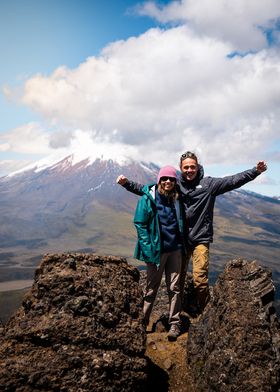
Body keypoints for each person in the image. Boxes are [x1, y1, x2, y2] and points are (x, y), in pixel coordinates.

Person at [116, 152, 267, 313]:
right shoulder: (176, 184)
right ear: (181, 169)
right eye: (186, 167)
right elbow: (150, 191)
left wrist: (255, 172)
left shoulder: (209, 184)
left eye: (192, 167)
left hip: (201, 239)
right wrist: (127, 184)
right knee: (177, 281)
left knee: (200, 280)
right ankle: (177, 313)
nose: (189, 170)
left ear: (197, 167)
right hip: (181, 241)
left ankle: (206, 313)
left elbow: (232, 181)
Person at [132, 165, 186, 340]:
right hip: (156, 251)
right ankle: (143, 322)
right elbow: (140, 224)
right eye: (165, 178)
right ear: (159, 180)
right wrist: (148, 250)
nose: (168, 182)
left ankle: (175, 324)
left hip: (175, 250)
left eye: (171, 179)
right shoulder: (147, 199)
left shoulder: (177, 198)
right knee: (151, 288)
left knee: (174, 288)